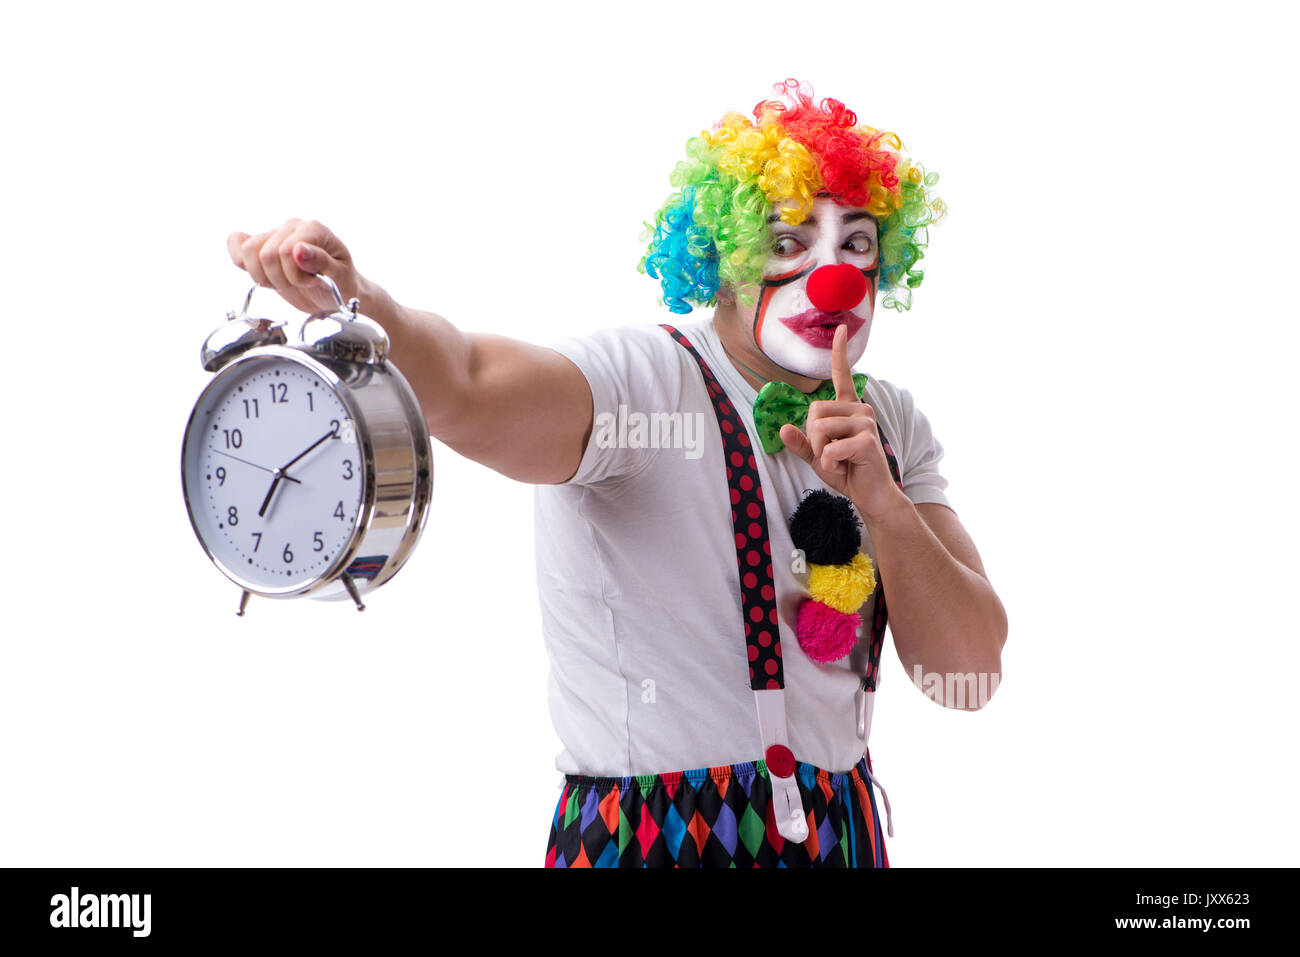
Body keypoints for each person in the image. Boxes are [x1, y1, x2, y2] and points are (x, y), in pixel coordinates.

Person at [227, 79, 1008, 868]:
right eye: (786, 242)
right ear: (726, 259)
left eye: (859, 243)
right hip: (652, 836)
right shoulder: (641, 382)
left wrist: (884, 503)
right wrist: (364, 305)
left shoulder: (894, 425)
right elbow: (465, 382)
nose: (833, 274)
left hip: (842, 837)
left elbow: (966, 673)